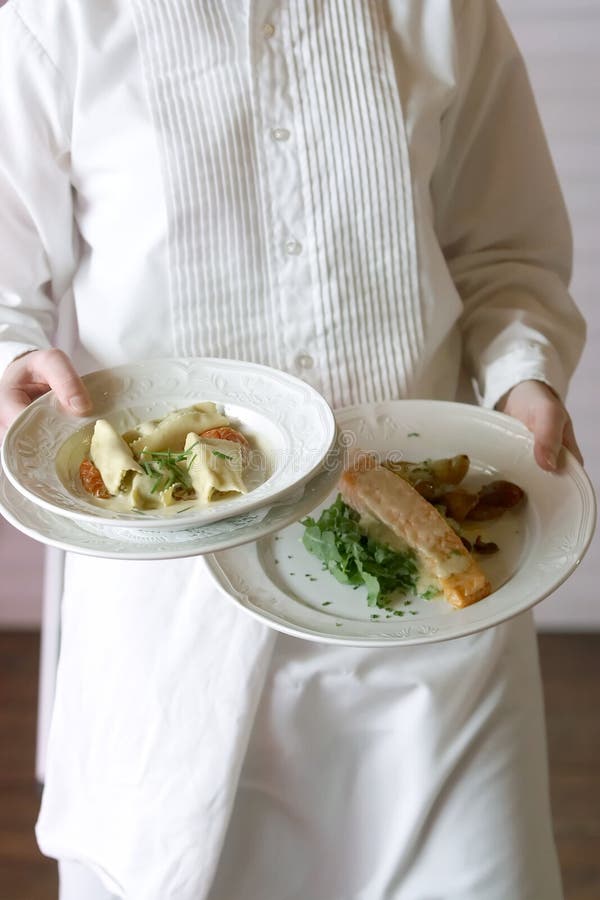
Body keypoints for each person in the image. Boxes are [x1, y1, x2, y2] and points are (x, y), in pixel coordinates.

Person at [0, 1, 586, 898]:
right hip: (171, 614)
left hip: (436, 615)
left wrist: (523, 373)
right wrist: (14, 362)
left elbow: (503, 252)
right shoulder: (58, 17)